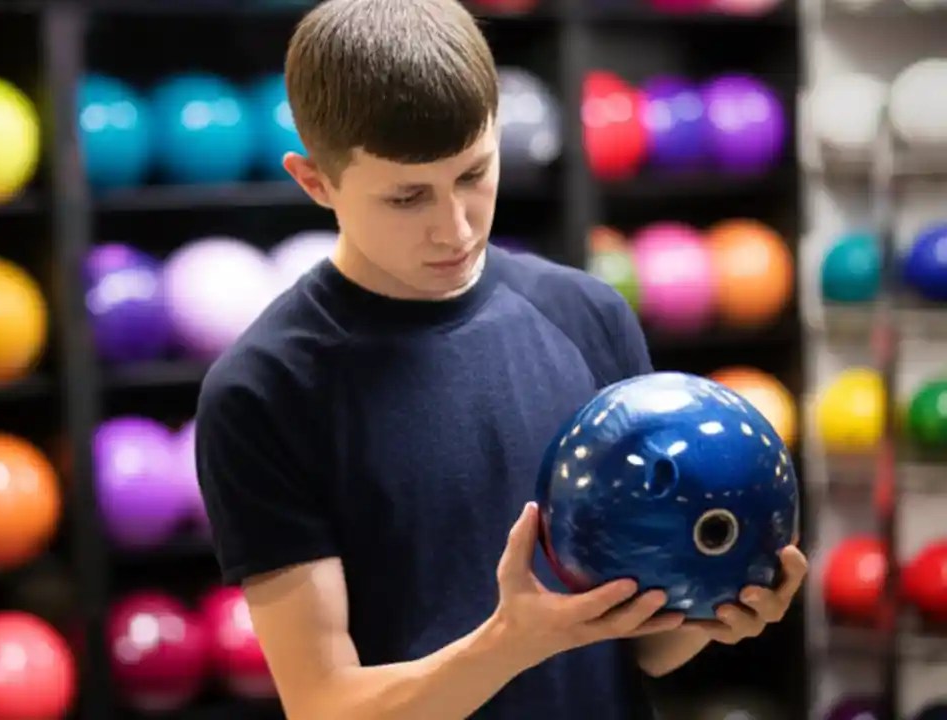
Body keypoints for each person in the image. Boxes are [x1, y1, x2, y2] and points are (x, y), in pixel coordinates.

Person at [193, 1, 809, 718]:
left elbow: (642, 643)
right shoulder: (262, 391)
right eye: (407, 196)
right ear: (315, 182)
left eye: (473, 174)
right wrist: (512, 643)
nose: (453, 227)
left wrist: (721, 606)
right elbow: (324, 705)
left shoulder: (589, 314)